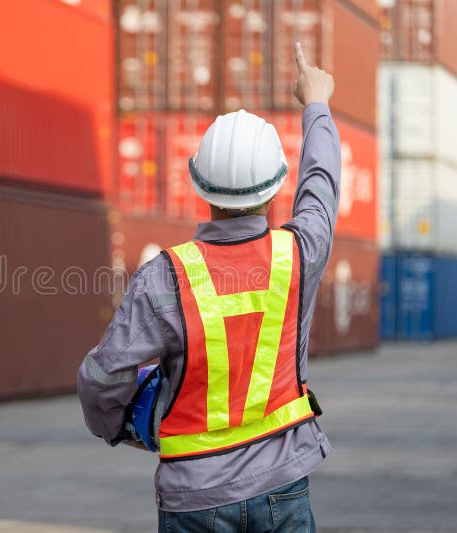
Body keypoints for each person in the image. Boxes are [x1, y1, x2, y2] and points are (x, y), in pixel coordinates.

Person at [77, 42, 339, 532]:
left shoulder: (165, 275)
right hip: (284, 487)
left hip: (193, 499)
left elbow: (104, 373)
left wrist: (119, 427)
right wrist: (316, 103)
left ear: (199, 184)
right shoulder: (299, 255)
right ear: (276, 185)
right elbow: (321, 187)